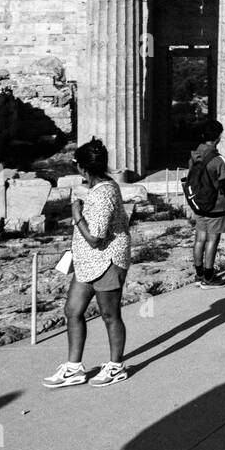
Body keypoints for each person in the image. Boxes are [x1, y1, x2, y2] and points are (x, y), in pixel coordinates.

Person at [43, 138, 131, 388]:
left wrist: (76, 215)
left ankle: (115, 366)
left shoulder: (104, 193)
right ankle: (74, 368)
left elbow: (95, 238)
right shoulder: (97, 187)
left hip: (107, 259)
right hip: (87, 262)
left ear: (82, 168)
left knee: (109, 314)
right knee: (72, 310)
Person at [183, 119, 225, 289]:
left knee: (200, 238)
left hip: (198, 204)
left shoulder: (194, 155)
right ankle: (209, 277)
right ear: (218, 137)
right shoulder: (219, 159)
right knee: (213, 240)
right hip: (215, 205)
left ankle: (198, 275)